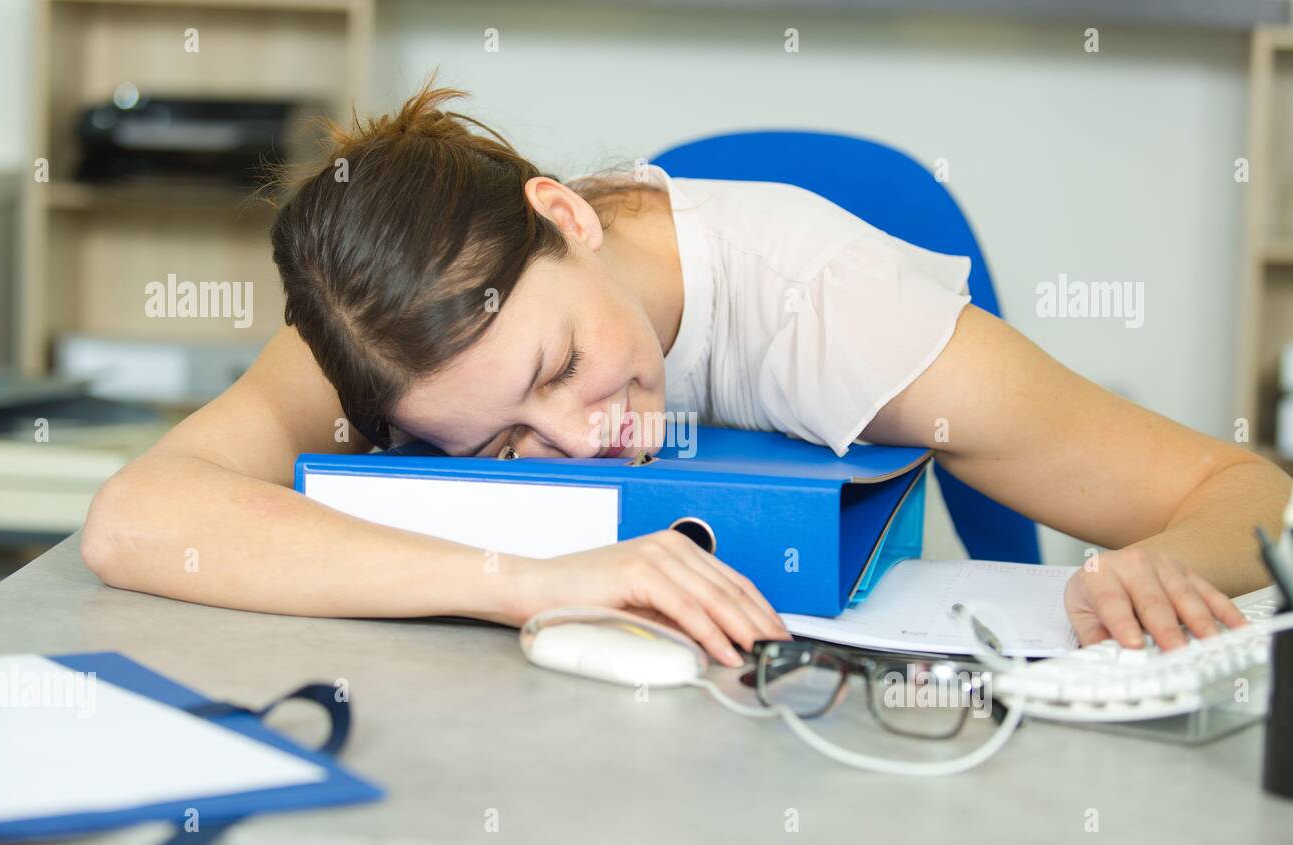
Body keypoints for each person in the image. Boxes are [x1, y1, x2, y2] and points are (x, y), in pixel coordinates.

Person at [81, 76, 1288, 667]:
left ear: (564, 215)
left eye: (559, 363)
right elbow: (139, 519)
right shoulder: (400, 331)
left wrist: (1154, 569)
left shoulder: (832, 309)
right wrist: (518, 579)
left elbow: (1253, 489)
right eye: (501, 441)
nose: (578, 433)